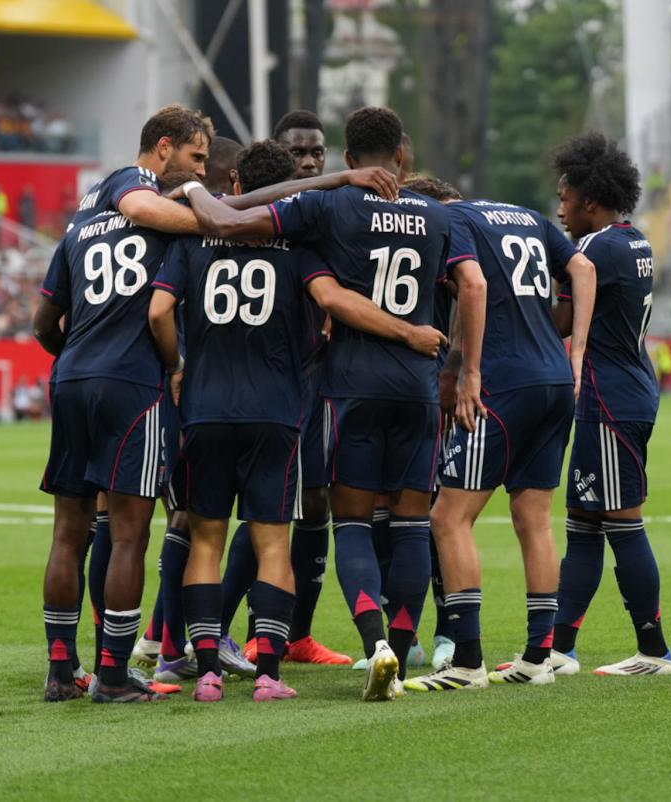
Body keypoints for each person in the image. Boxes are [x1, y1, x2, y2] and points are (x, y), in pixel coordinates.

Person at [179, 106, 484, 701]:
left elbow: (244, 232)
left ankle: (374, 645)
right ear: (402, 156)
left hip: (345, 386)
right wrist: (462, 369)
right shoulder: (439, 214)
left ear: (346, 159)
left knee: (344, 522)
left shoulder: (324, 209)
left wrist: (194, 189)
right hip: (420, 387)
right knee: (411, 523)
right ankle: (405, 639)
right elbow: (472, 285)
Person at [31, 104, 224, 704]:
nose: (199, 172)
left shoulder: (79, 226)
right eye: (195, 158)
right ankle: (114, 673)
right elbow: (159, 308)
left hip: (71, 379)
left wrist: (77, 359)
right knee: (129, 535)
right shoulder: (154, 214)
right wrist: (171, 365)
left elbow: (42, 322)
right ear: (162, 149)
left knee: (68, 532)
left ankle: (62, 670)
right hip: (133, 386)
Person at [401, 177, 597, 691]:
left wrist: (468, 371)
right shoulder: (525, 214)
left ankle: (467, 661)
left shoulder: (450, 221)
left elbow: (475, 285)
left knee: (448, 517)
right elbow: (582, 267)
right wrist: (575, 352)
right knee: (533, 518)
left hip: (505, 386)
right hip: (555, 379)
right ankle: (539, 657)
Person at [220, 109, 354, 667]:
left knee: (313, 501)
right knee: (262, 508)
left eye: (317, 153)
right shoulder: (250, 213)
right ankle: (224, 632)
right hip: (264, 377)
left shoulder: (325, 212)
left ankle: (295, 635)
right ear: (275, 155)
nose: (308, 160)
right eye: (297, 152)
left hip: (317, 374)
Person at [548, 131, 671, 677]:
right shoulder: (636, 240)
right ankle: (560, 647)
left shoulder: (596, 249)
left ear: (591, 202)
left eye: (566, 198)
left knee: (623, 523)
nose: (560, 210)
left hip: (610, 398)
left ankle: (654, 650)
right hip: (626, 389)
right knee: (583, 521)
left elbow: (560, 321)